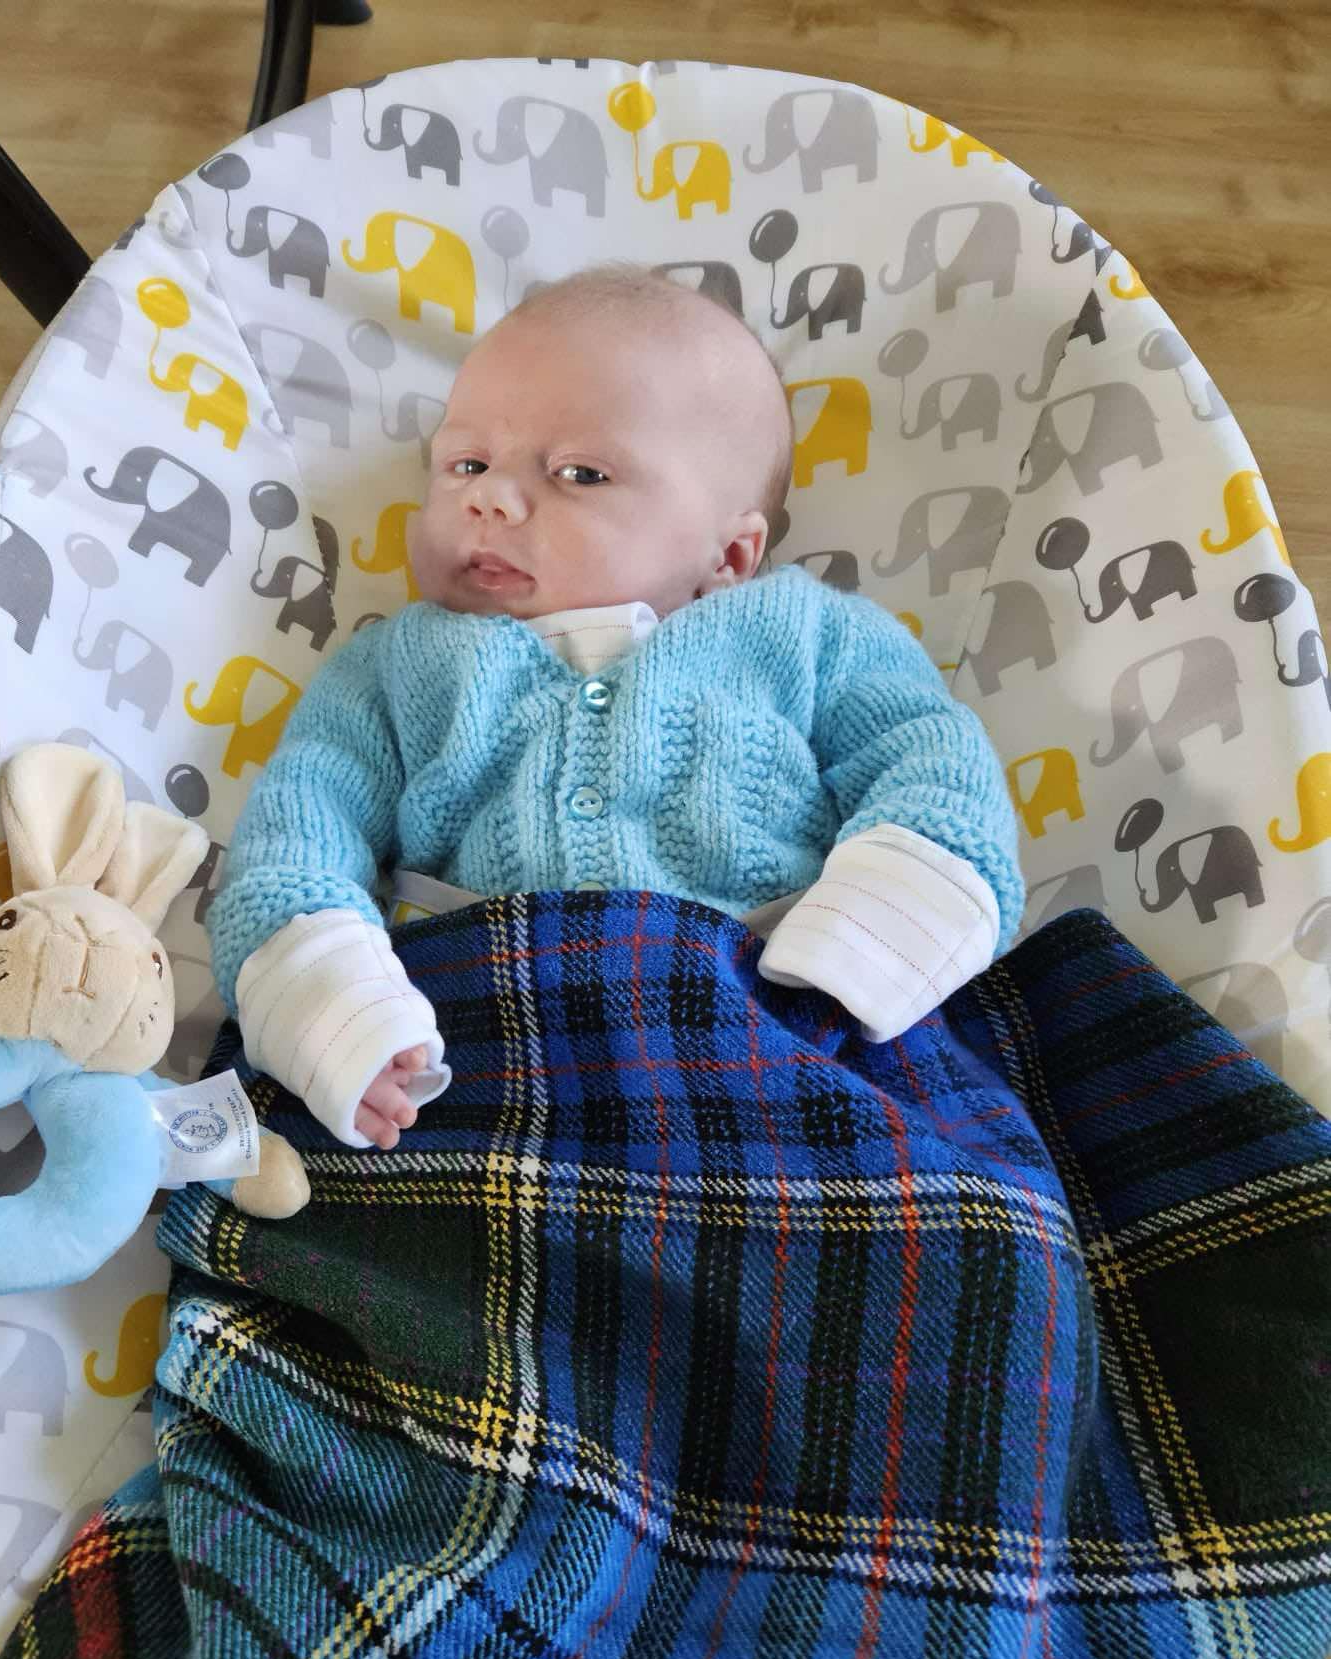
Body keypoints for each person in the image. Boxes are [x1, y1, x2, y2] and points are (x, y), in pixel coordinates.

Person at [208, 264, 1023, 1151]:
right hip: (480, 1042)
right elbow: (302, 826)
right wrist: (324, 986)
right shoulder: (394, 665)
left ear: (730, 556)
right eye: (466, 464)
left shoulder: (805, 633)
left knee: (934, 1170)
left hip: (788, 1015)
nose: (489, 496)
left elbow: (929, 756)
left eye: (580, 473)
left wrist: (887, 921)